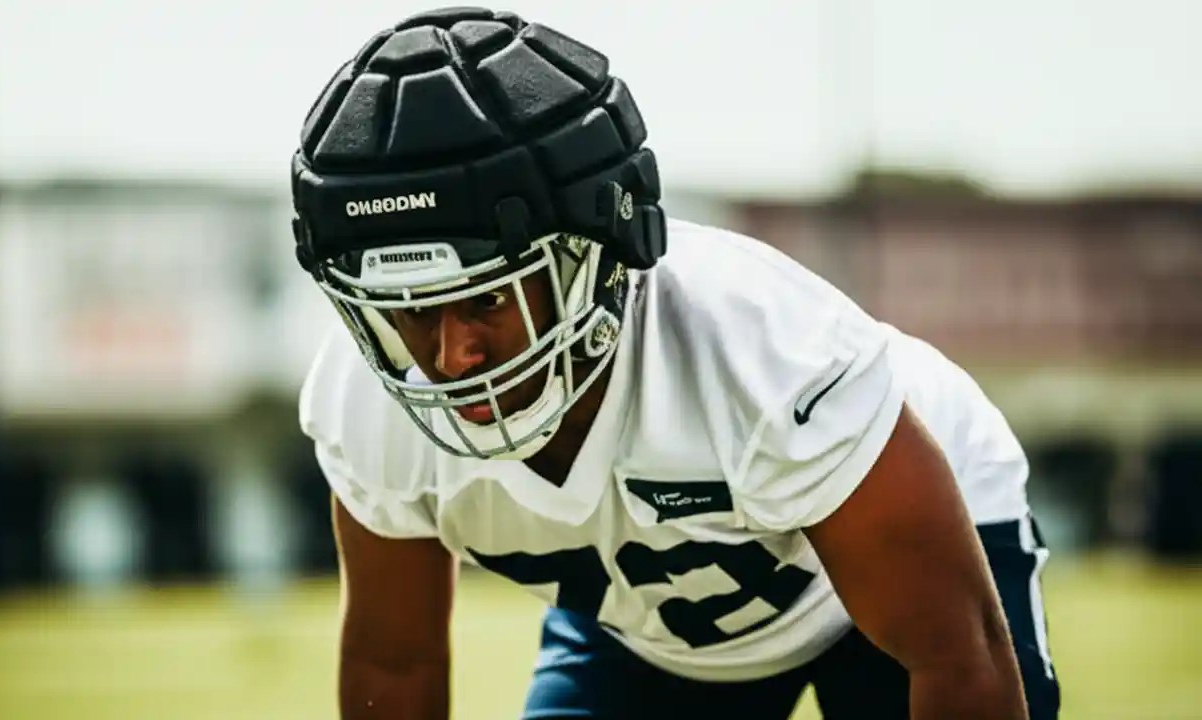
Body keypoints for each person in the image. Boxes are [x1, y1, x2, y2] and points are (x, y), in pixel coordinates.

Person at [290, 7, 1061, 719]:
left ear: (594, 261)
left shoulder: (758, 352)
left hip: (874, 582)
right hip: (652, 636)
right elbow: (394, 668)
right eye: (416, 310)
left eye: (491, 301)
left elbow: (957, 658)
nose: (453, 357)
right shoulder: (367, 400)